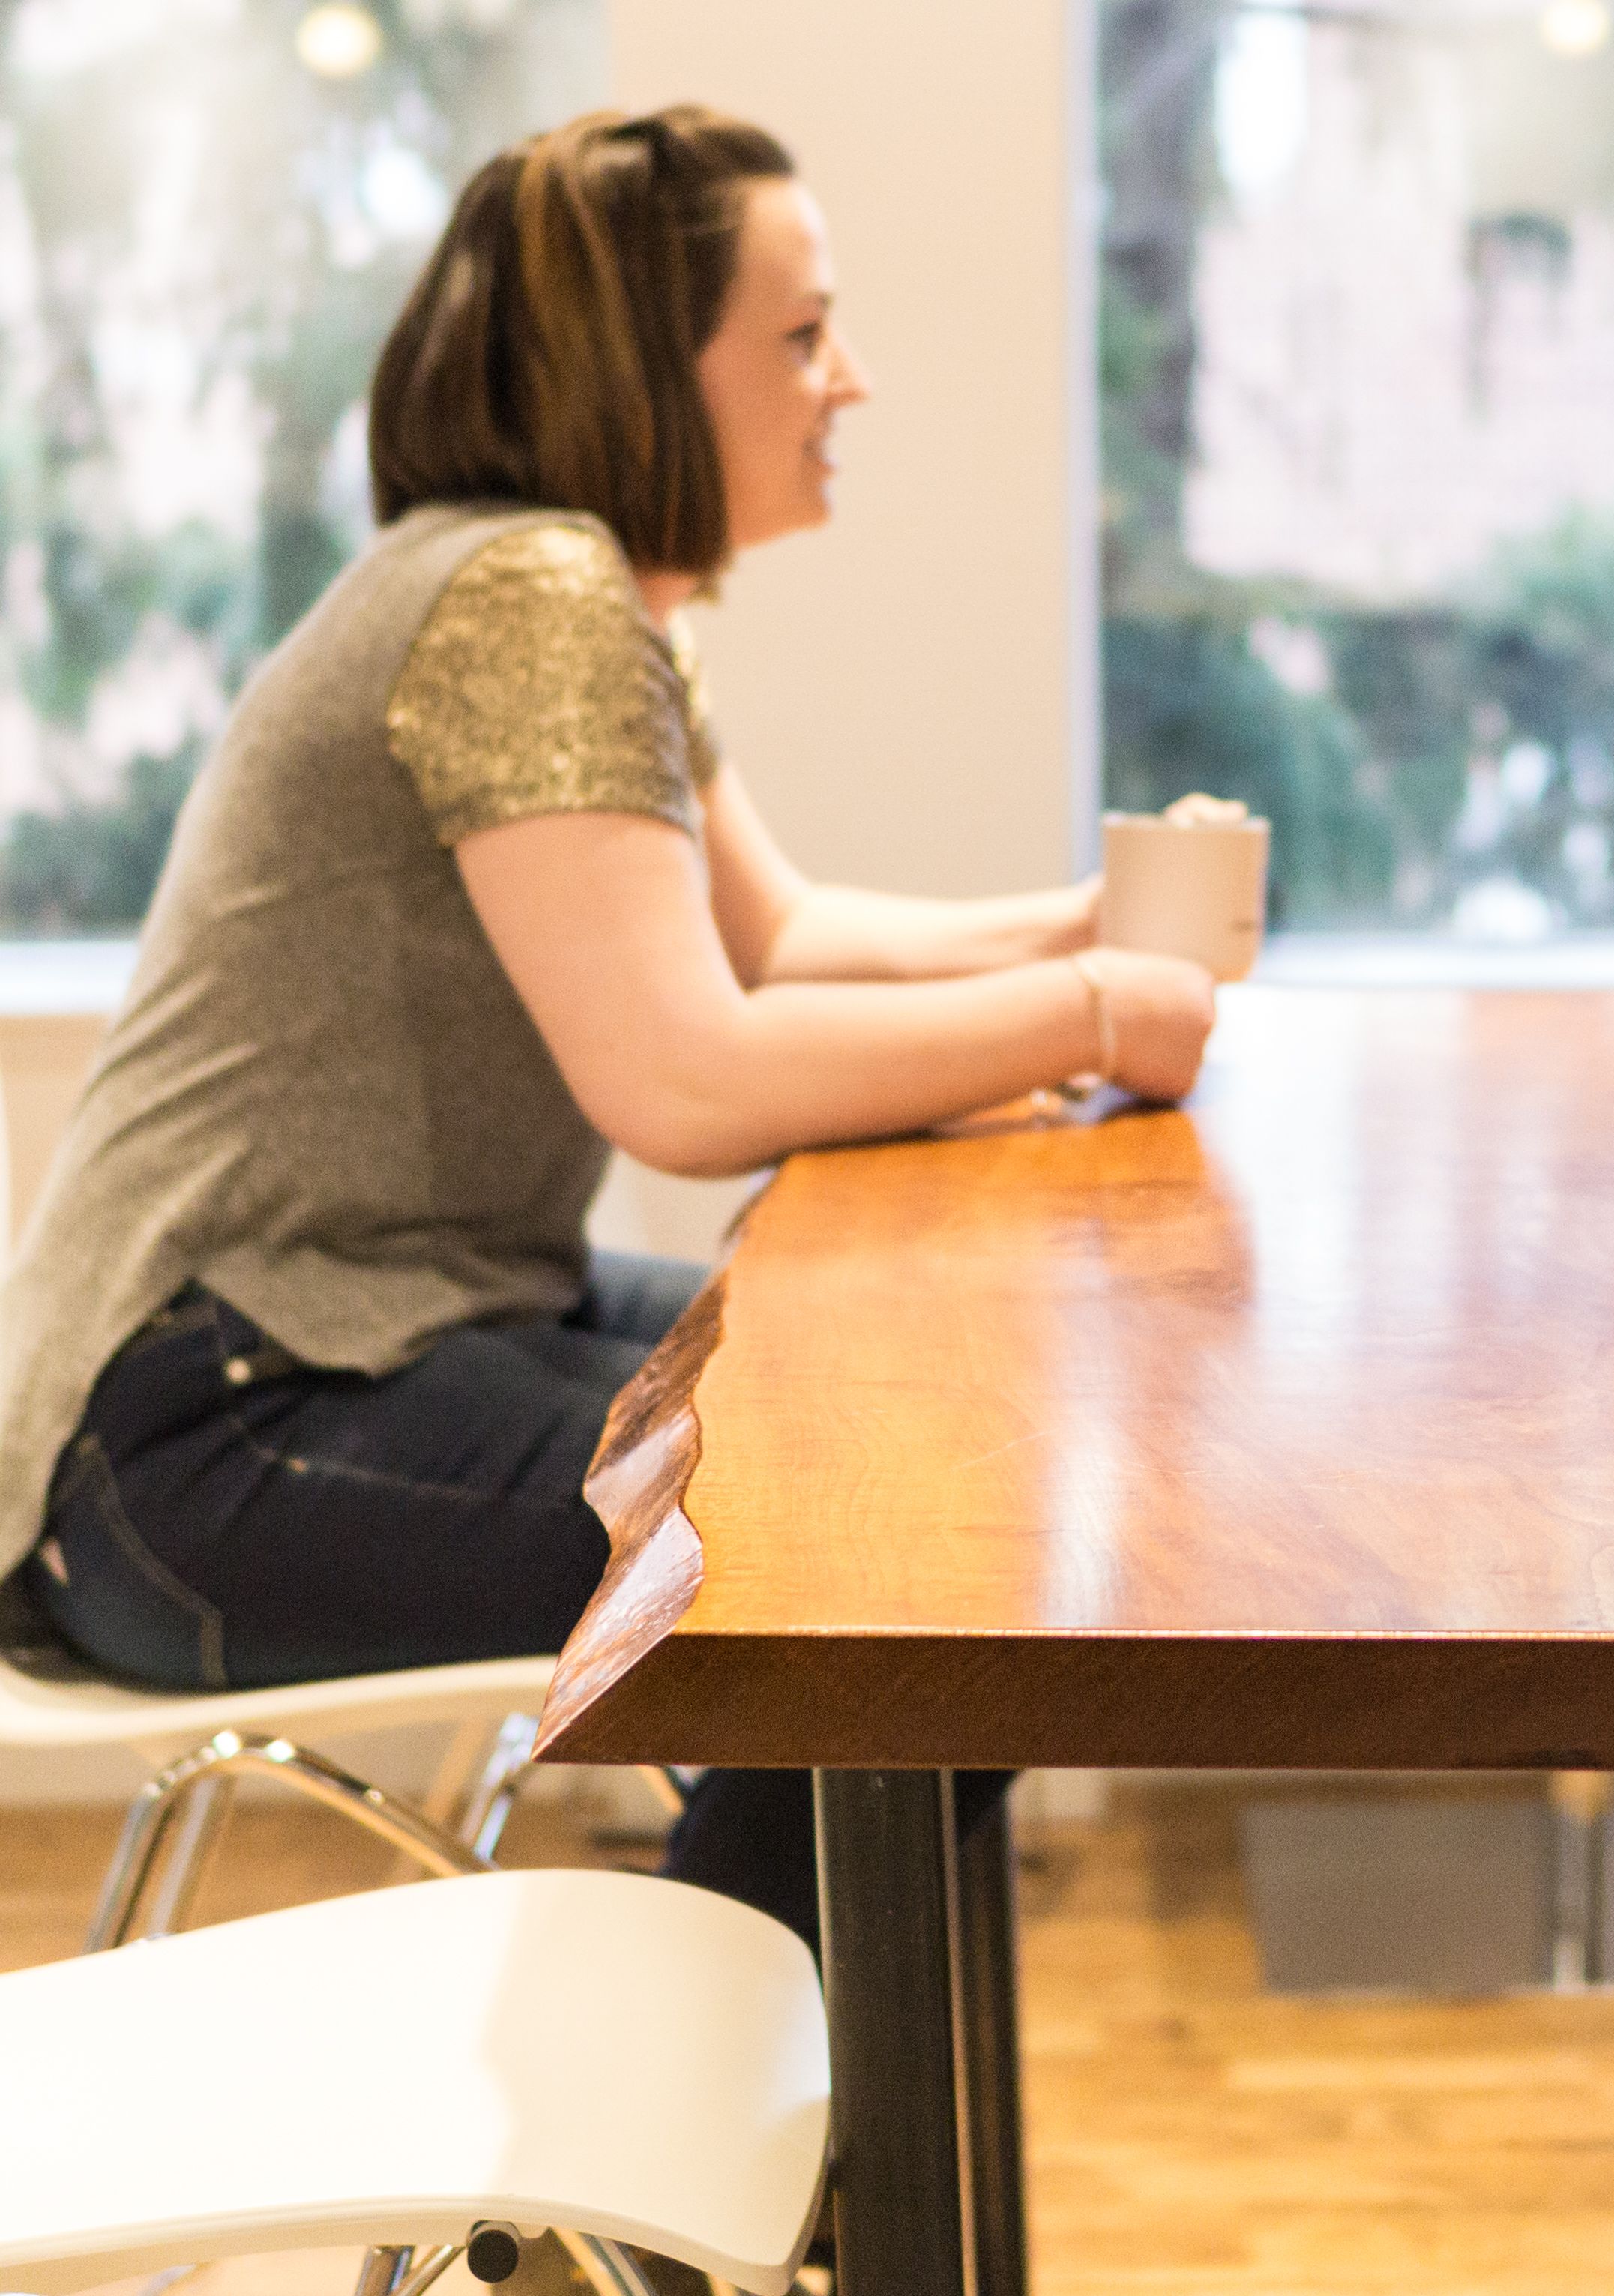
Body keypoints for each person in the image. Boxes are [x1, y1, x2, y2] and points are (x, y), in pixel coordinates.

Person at [0, 106, 1220, 1950]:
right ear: (649, 366)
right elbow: (685, 1078)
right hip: (206, 1433)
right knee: (885, 1566)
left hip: (351, 1348)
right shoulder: (528, 600)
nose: (852, 380)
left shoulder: (571, 594)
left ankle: (753, 2158)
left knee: (921, 1459)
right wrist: (1090, 1005)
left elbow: (785, 939)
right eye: (801, 336)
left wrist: (1094, 922)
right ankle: (647, 2209)